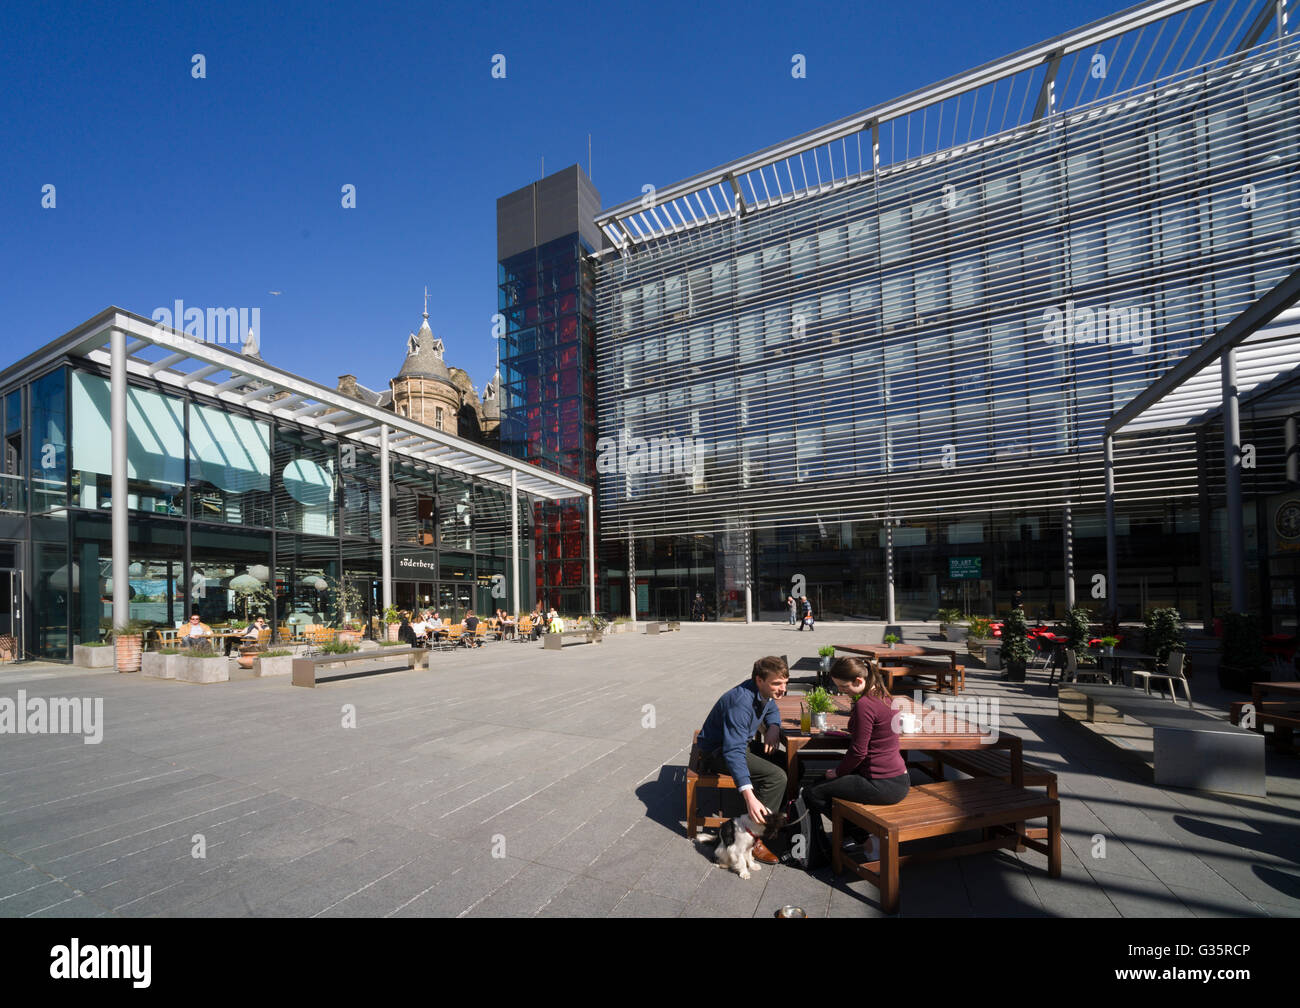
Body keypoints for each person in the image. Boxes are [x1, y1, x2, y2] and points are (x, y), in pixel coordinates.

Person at [799, 657, 909, 866]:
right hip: (898, 777)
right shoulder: (885, 697)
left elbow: (858, 752)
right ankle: (851, 834)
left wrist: (839, 772)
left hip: (882, 784)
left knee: (813, 792)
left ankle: (866, 841)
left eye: (844, 687)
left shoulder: (865, 705)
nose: (841, 692)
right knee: (823, 783)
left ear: (859, 680)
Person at [695, 656, 790, 864]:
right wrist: (749, 797)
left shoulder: (764, 691)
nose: (783, 689)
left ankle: (775, 819)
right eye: (777, 683)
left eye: (785, 682)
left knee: (792, 764)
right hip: (718, 752)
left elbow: (771, 706)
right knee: (777, 777)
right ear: (759, 680)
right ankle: (754, 837)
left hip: (736, 744)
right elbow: (733, 752)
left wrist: (773, 726)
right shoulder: (741, 703)